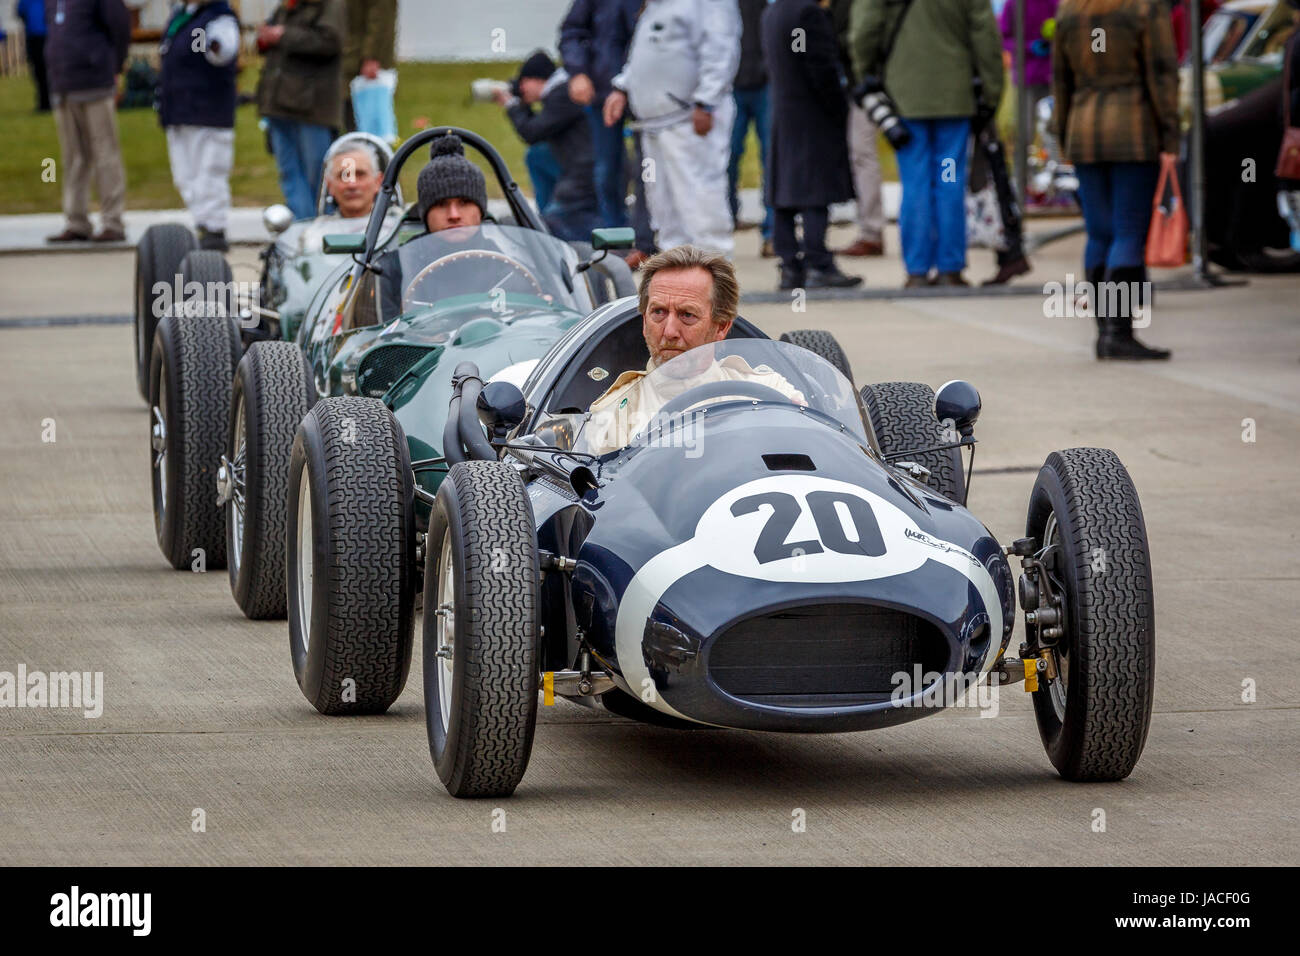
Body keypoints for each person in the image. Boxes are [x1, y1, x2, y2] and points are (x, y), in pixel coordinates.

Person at [583, 245, 805, 455]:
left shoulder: (769, 392)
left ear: (721, 326)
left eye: (687, 315)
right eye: (658, 312)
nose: (669, 331)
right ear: (644, 321)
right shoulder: (615, 412)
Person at [1052, 0, 1177, 359]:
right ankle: (1120, 334)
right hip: (1134, 130)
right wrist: (1170, 135)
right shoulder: (1144, 7)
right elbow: (1162, 74)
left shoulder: (1070, 9)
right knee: (1128, 232)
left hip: (1084, 127)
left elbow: (1060, 81)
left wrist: (1065, 135)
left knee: (1099, 233)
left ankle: (1104, 333)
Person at [851, 0, 1004, 287]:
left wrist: (867, 74)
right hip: (953, 98)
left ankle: (917, 270)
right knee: (949, 181)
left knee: (915, 183)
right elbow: (986, 37)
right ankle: (950, 268)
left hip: (905, 97)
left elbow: (864, 30)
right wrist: (992, 92)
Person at [603, 0, 742, 258]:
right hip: (654, 124)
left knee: (699, 196)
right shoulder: (657, 5)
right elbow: (646, 53)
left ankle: (714, 268)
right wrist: (622, 87)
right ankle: (676, 268)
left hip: (690, 119)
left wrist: (706, 101)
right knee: (664, 207)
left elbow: (721, 49)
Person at [763, 0, 862, 290]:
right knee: (814, 193)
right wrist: (840, 107)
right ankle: (818, 262)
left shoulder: (774, 11)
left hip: (784, 113)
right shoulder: (809, 13)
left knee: (784, 192)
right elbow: (822, 68)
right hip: (813, 114)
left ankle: (790, 266)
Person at [558, 0, 644, 249]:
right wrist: (578, 72)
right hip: (602, 89)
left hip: (647, 91)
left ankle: (646, 238)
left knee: (650, 168)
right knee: (607, 168)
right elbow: (571, 32)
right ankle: (616, 236)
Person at [43, 0, 130, 243]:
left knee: (105, 153)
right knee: (72, 157)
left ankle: (112, 221)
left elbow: (120, 26)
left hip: (95, 84)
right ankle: (76, 221)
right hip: (63, 86)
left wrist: (113, 65)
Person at [158, 0, 241, 252]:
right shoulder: (181, 16)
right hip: (179, 110)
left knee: (209, 171)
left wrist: (214, 46)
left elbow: (223, 50)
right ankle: (201, 221)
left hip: (208, 111)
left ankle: (214, 227)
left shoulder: (219, 17)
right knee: (185, 175)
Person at [497, 50, 600, 242]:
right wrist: (520, 104)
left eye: (523, 82)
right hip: (584, 172)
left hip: (585, 177)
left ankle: (608, 244)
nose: (521, 88)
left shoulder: (564, 94)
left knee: (549, 228)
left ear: (537, 79)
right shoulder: (561, 91)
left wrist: (512, 105)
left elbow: (532, 132)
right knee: (536, 154)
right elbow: (540, 130)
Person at [256, 0, 345, 221]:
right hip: (279, 105)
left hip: (313, 108)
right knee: (289, 172)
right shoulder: (285, 7)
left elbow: (330, 42)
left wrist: (283, 35)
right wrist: (265, 38)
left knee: (318, 174)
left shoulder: (330, 6)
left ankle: (324, 225)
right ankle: (300, 225)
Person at [831, 0, 884, 257]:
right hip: (864, 82)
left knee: (863, 154)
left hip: (867, 84)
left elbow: (859, 37)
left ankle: (872, 232)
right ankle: (872, 230)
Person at [729, 0, 774, 256]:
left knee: (771, 157)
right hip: (731, 85)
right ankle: (726, 221)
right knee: (728, 157)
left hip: (766, 84)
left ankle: (772, 233)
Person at [342, 0, 396, 132]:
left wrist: (372, 56)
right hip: (349, 55)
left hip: (359, 61)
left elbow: (380, 16)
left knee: (364, 124)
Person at [16, 0, 50, 112]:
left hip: (40, 36)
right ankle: (45, 102)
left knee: (40, 71)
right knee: (42, 71)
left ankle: (45, 102)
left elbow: (20, 12)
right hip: (42, 36)